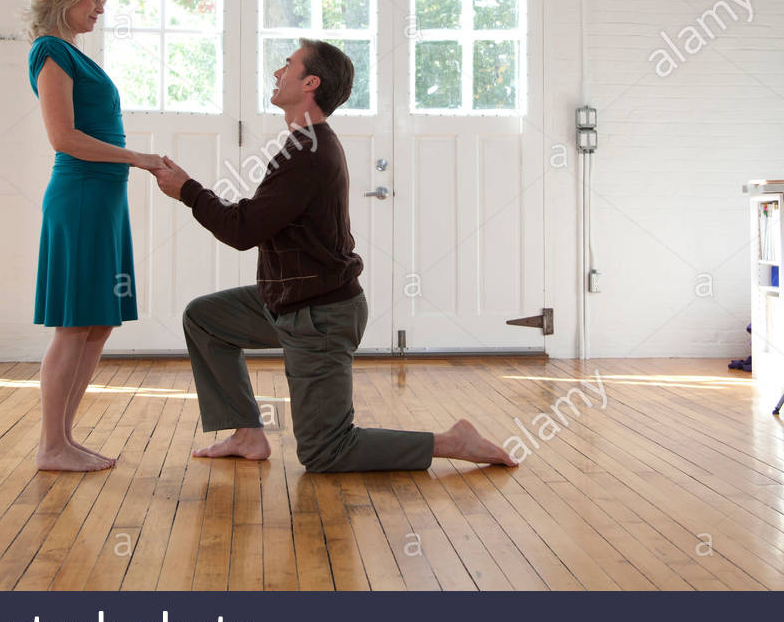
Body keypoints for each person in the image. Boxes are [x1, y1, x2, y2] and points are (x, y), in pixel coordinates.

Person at [151, 38, 517, 472]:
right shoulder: (301, 146)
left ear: (310, 82)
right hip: (285, 303)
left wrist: (187, 190)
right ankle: (248, 433)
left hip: (319, 316)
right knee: (205, 319)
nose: (276, 72)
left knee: (326, 451)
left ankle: (452, 442)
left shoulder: (308, 154)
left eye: (286, 65)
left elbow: (243, 229)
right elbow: (254, 223)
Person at [24, 0, 164, 472]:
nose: (100, 9)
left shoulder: (72, 53)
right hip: (81, 196)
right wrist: (139, 157)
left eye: (102, 0)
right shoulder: (50, 52)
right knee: (74, 324)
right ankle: (51, 446)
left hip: (102, 199)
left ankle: (63, 439)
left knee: (99, 323)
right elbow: (63, 138)